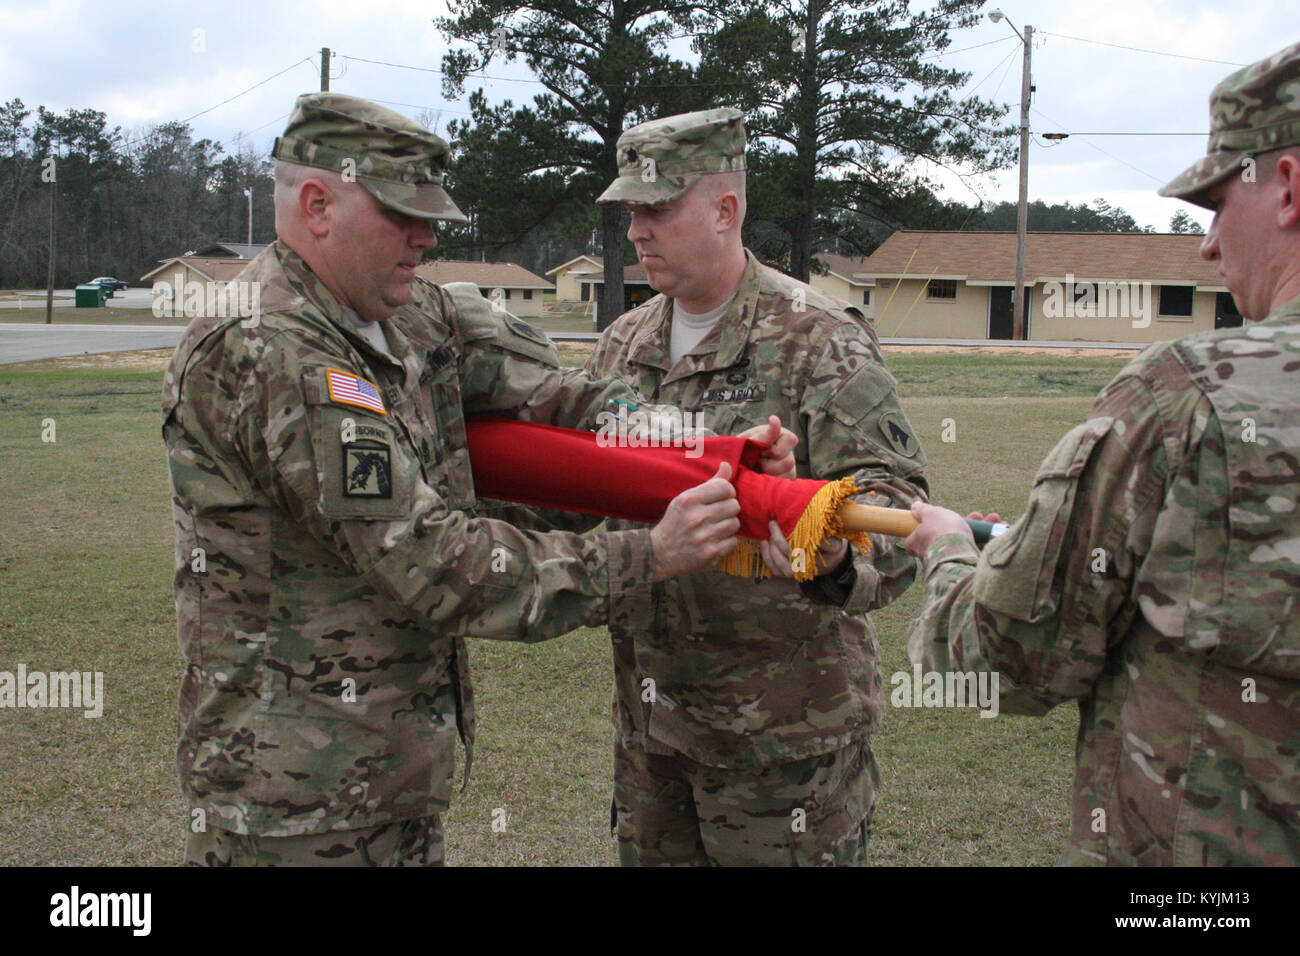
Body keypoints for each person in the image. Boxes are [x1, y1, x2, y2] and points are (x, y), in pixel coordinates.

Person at [162, 93, 795, 866]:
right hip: (294, 799)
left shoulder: (410, 313)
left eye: (429, 216)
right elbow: (433, 562)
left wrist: (706, 448)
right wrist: (648, 557)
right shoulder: (268, 351)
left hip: (390, 772)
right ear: (318, 205)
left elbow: (562, 396)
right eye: (401, 215)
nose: (425, 239)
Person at [905, 42, 1300, 865]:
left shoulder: (1186, 396)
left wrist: (946, 549)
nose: (1207, 246)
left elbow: (1008, 658)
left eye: (1217, 205)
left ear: (1287, 188)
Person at [586, 107, 928, 866]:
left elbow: (898, 504)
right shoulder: (622, 344)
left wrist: (826, 546)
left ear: (725, 208)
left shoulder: (817, 337)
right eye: (630, 212)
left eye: (657, 209)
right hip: (653, 736)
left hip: (784, 750)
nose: (637, 231)